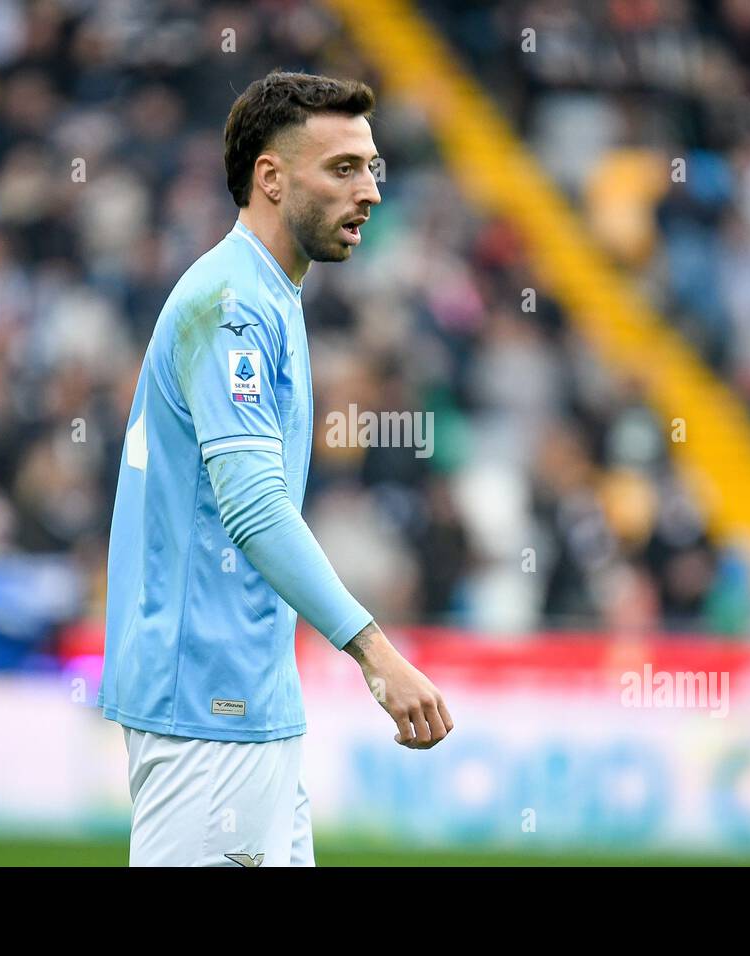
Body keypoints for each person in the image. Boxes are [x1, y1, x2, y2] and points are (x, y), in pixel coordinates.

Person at [97, 70, 454, 867]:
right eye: (344, 169)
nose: (370, 192)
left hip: (250, 703)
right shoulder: (230, 303)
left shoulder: (272, 296)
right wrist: (376, 653)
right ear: (271, 177)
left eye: (371, 168)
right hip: (206, 706)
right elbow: (253, 507)